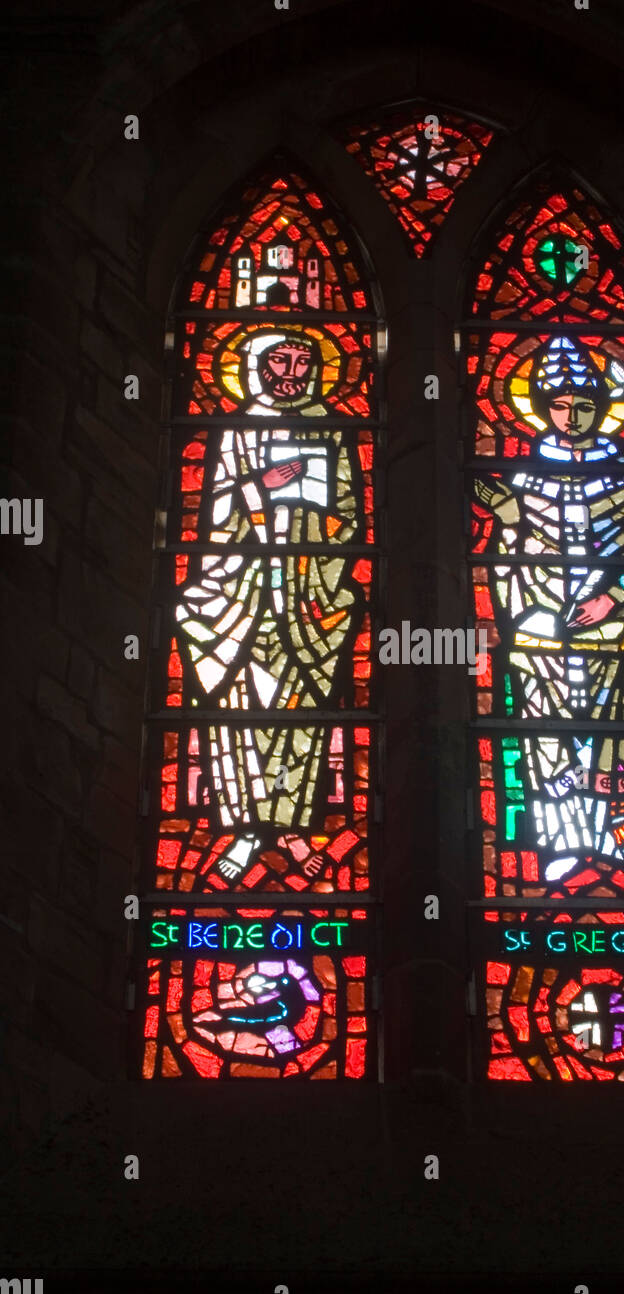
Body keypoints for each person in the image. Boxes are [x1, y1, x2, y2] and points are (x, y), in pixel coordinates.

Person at [474, 338, 624, 885]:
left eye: (584, 405)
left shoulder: (621, 472)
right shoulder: (524, 475)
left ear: (601, 407)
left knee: (618, 736)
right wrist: (512, 526)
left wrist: (615, 598)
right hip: (541, 634)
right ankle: (563, 841)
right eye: (560, 404)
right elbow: (504, 556)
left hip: (613, 636)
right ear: (543, 407)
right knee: (549, 741)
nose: (572, 415)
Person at [177, 329, 362, 881]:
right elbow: (215, 516)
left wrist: (321, 519)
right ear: (255, 366)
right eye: (278, 358)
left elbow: (350, 515)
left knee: (298, 711)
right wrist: (261, 486)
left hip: (308, 592)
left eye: (302, 360)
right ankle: (238, 829)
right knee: (237, 712)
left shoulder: (330, 431)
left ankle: (290, 827)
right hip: (239, 592)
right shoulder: (234, 430)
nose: (290, 369)